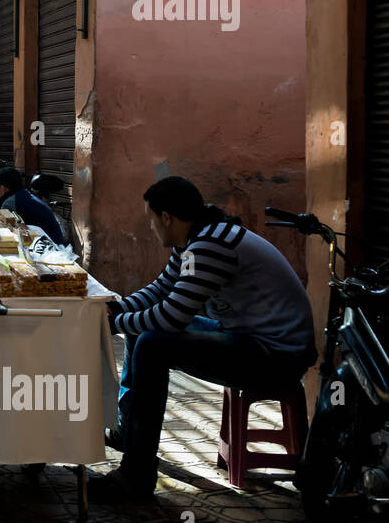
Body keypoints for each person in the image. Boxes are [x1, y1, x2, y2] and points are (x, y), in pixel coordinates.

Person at [90, 177, 316, 503]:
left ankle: (136, 476)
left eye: (152, 220)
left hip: (276, 355)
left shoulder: (210, 245)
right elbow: (162, 290)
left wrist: (115, 324)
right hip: (248, 338)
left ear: (166, 217)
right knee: (144, 332)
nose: (152, 229)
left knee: (154, 343)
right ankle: (129, 433)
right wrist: (117, 310)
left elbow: (172, 316)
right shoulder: (197, 239)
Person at [0, 167, 66, 245]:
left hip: (50, 250)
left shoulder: (10, 204)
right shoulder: (24, 195)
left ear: (4, 188)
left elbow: (16, 229)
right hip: (56, 245)